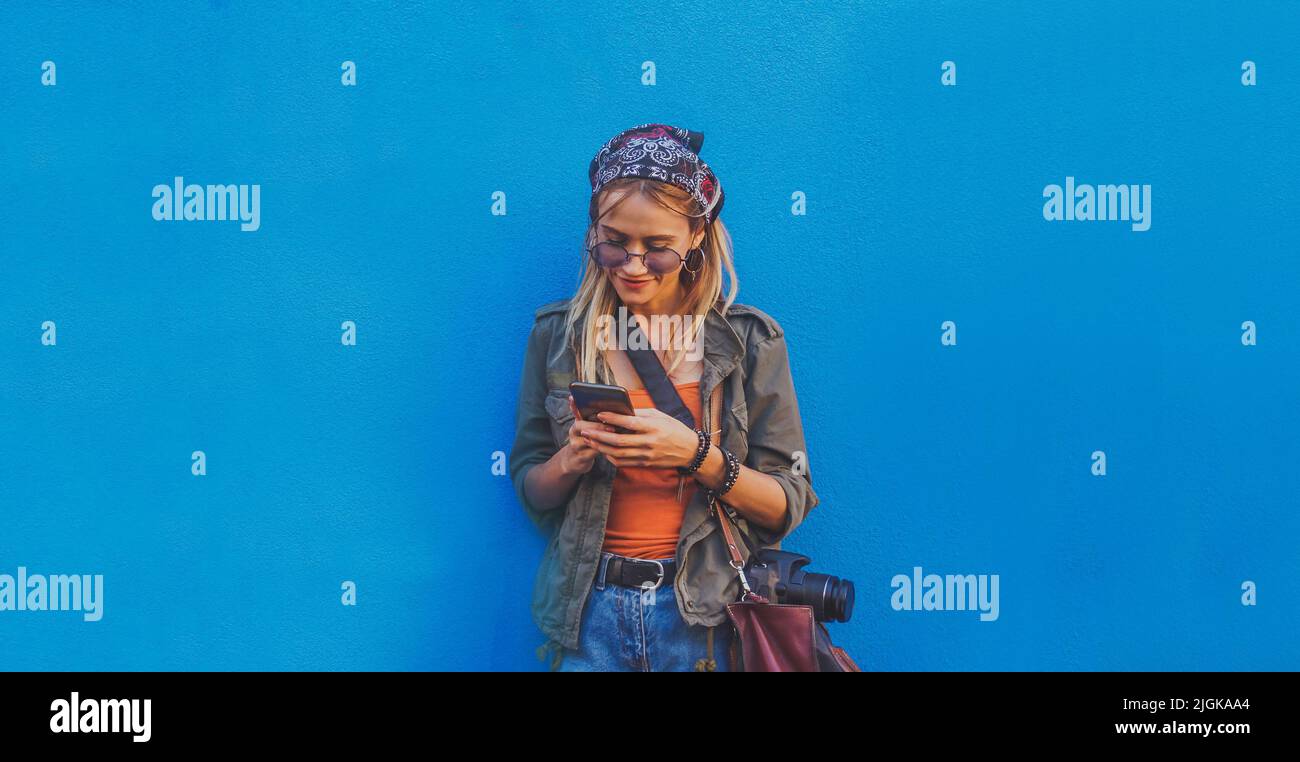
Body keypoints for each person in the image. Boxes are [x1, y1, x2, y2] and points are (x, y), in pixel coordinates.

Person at [510, 123, 818, 671]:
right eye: (614, 243)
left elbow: (788, 501)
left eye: (657, 249)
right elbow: (531, 486)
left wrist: (695, 456)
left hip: (707, 620)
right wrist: (570, 460)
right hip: (587, 616)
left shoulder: (750, 342)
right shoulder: (557, 338)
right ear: (593, 231)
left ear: (696, 236)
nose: (632, 265)